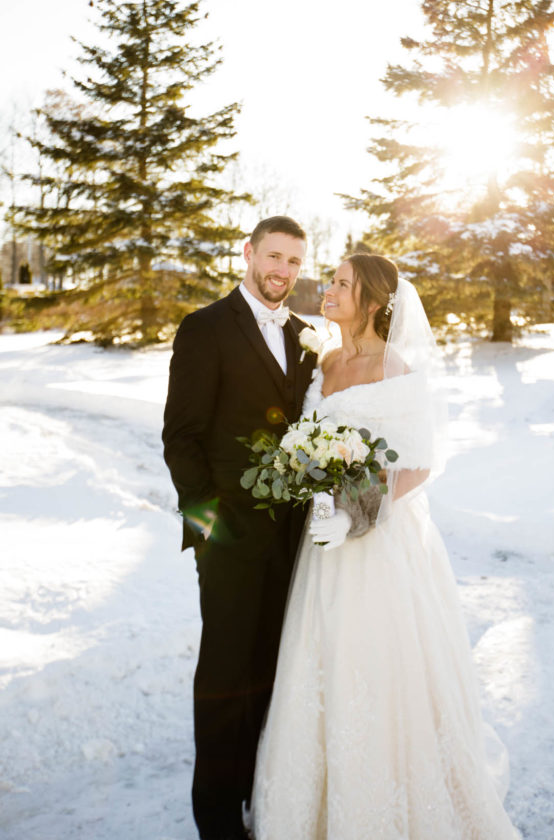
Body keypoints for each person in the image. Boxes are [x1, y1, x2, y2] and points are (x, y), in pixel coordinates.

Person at [249, 253, 521, 840]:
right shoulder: (323, 361)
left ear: (371, 302)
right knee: (321, 661)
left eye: (342, 284)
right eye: (330, 281)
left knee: (375, 666)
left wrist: (355, 518)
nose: (328, 289)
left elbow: (418, 464)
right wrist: (316, 494)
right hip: (323, 548)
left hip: (380, 545)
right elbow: (310, 446)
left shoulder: (393, 368)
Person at [162, 215, 317, 840]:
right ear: (249, 253)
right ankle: (218, 819)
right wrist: (206, 531)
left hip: (292, 540)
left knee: (270, 673)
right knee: (225, 676)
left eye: (294, 263)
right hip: (226, 540)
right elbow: (182, 438)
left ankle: (260, 795)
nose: (282, 271)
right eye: (274, 257)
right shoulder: (204, 328)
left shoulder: (308, 335)